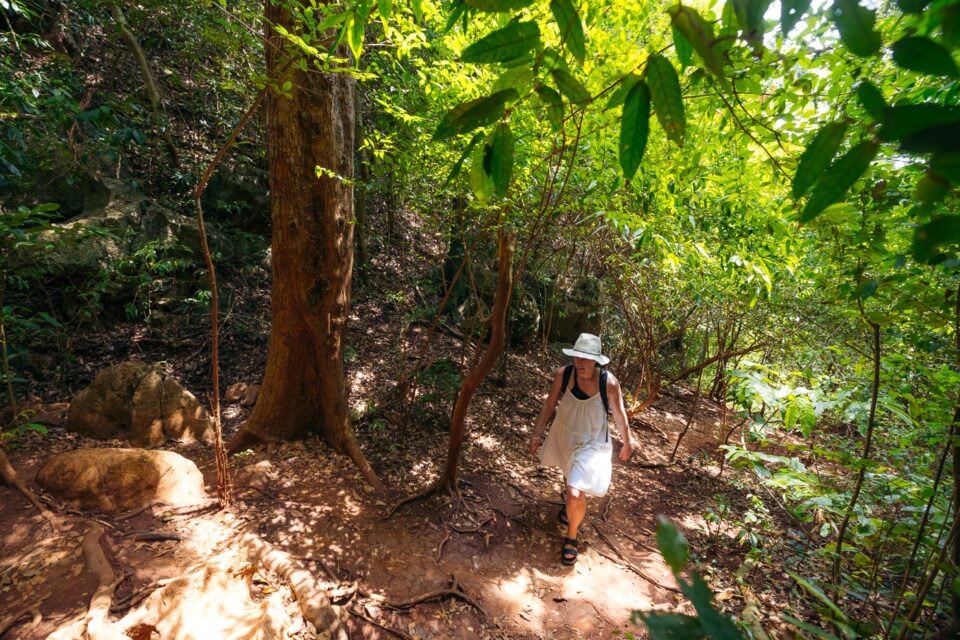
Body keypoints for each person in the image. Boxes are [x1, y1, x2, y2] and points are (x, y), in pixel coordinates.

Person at [528, 333, 633, 566]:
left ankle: (571, 537)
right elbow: (549, 403)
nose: (580, 363)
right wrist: (537, 433)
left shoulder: (609, 383)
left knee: (575, 492)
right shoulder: (564, 375)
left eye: (586, 358)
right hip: (565, 435)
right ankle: (570, 509)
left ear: (597, 361)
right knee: (570, 481)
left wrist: (627, 441)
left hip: (592, 443)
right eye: (578, 356)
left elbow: (619, 414)